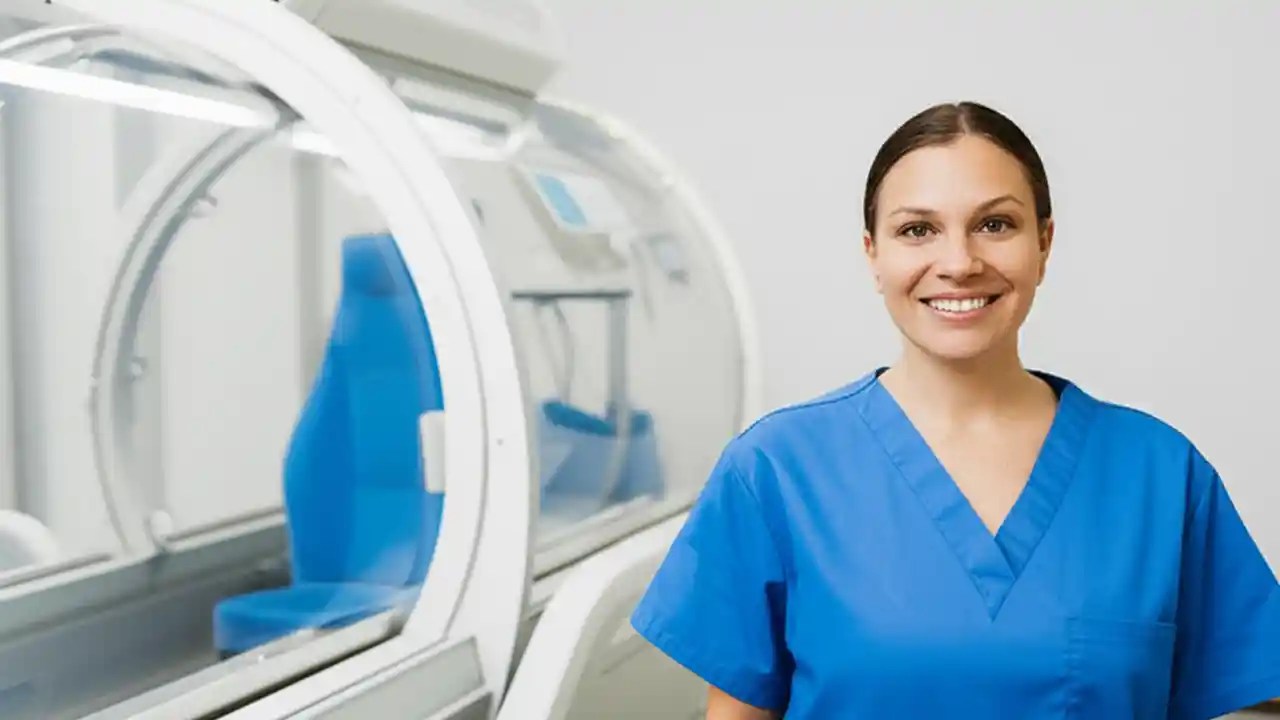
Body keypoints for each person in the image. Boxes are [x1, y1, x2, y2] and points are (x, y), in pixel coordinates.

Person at [630, 101, 1280, 719]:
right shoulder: (775, 471)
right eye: (918, 230)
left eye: (995, 224)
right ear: (873, 255)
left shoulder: (1159, 474)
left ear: (1044, 243)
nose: (959, 263)